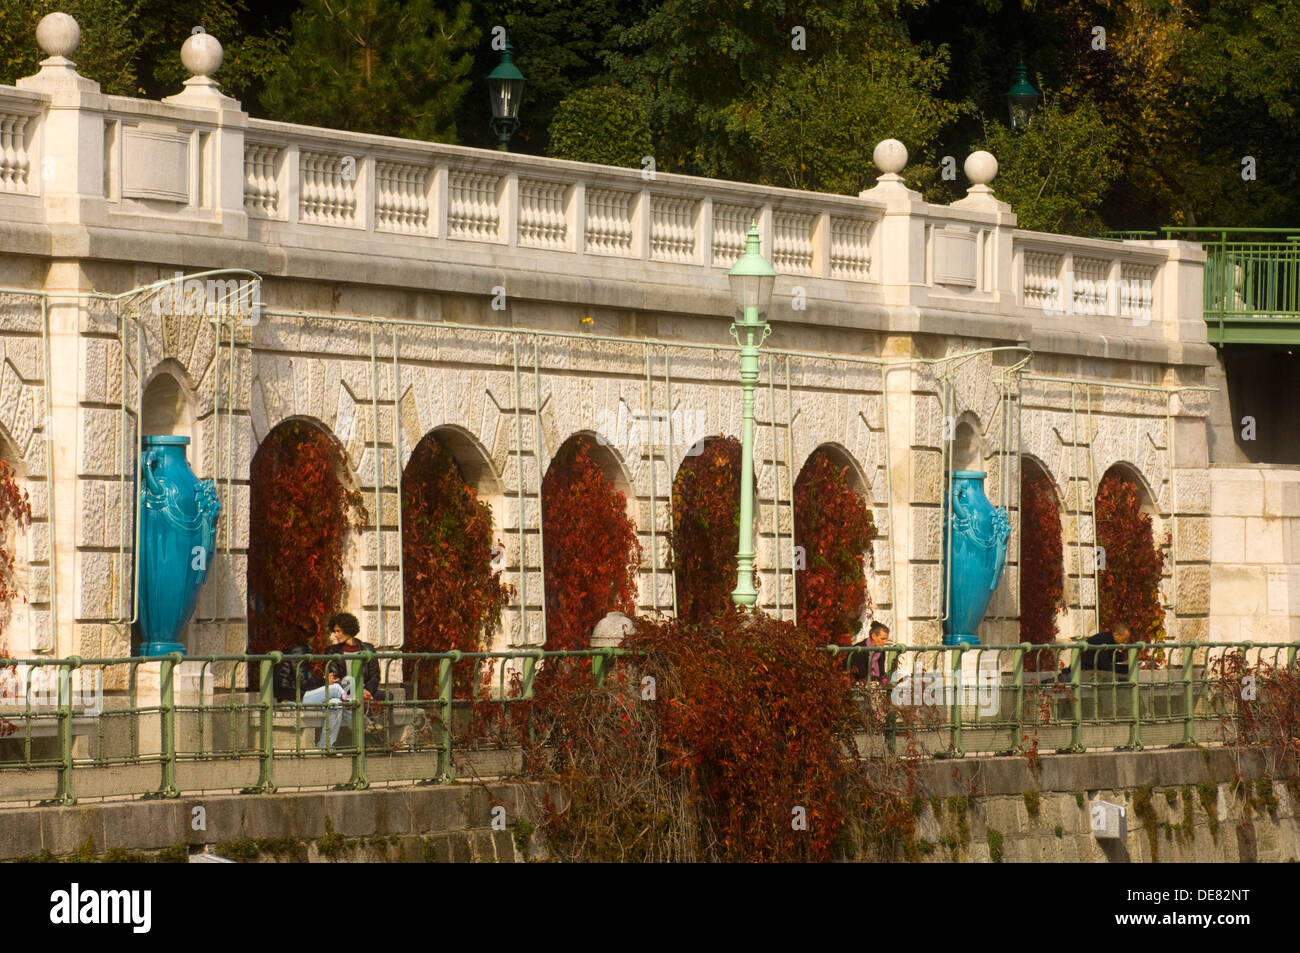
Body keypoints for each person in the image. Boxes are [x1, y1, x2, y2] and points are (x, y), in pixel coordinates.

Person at [323, 612, 389, 703]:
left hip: (365, 690)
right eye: (334, 631)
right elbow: (335, 678)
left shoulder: (368, 648)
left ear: (347, 629)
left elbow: (375, 675)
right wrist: (356, 691)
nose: (335, 635)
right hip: (344, 691)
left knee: (387, 696)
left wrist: (368, 690)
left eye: (338, 631)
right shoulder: (332, 651)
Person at [1057, 623, 1134, 681]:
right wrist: (1126, 668)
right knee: (1112, 677)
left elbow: (1115, 661)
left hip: (1092, 670)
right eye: (1125, 639)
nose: (1126, 642)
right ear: (1116, 635)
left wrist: (1120, 652)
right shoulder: (1103, 640)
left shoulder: (1113, 642)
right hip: (1084, 670)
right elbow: (1104, 665)